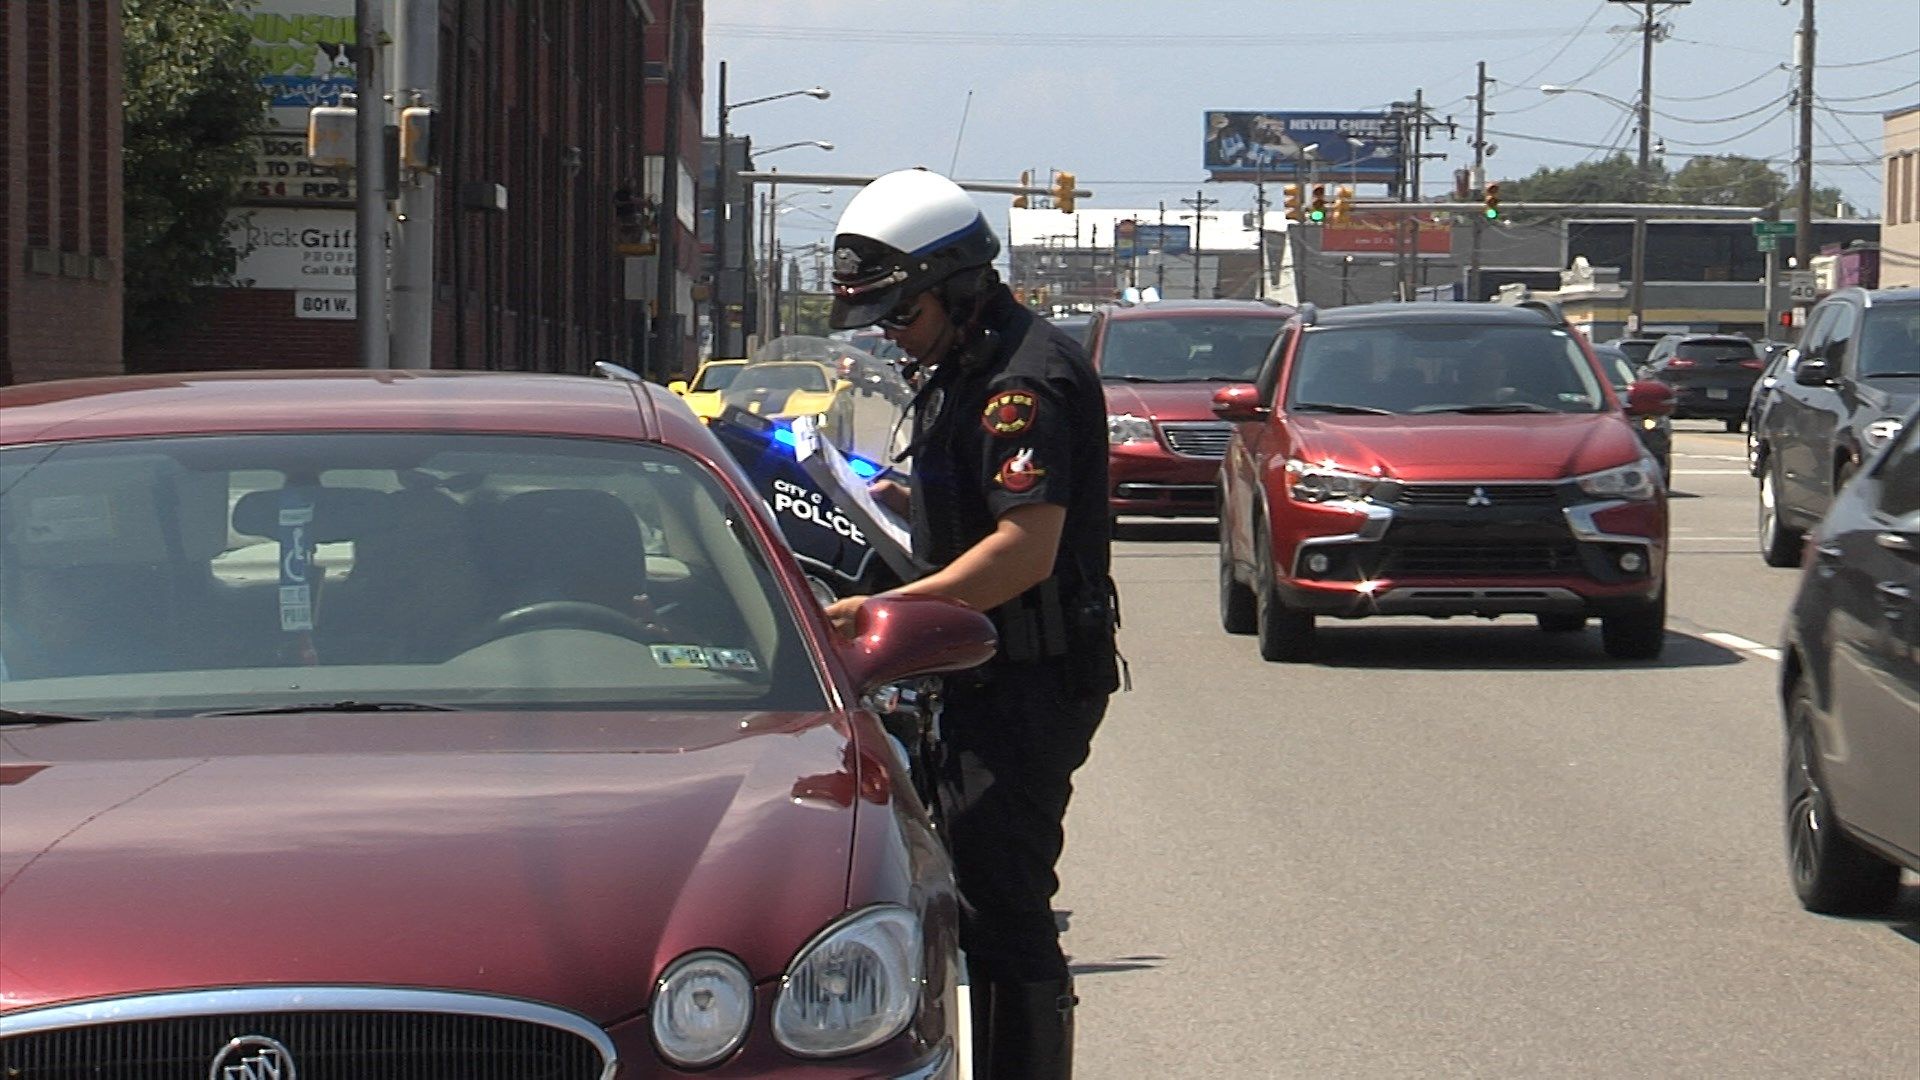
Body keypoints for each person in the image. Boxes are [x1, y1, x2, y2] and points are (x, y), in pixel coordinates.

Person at [819, 168, 1120, 1079]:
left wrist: (885, 611)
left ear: (956, 286)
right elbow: (967, 507)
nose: (889, 332)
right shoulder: (965, 366)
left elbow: (1023, 549)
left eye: (899, 313)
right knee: (976, 894)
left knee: (1007, 903)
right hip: (980, 671)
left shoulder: (1022, 384)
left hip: (1029, 680)